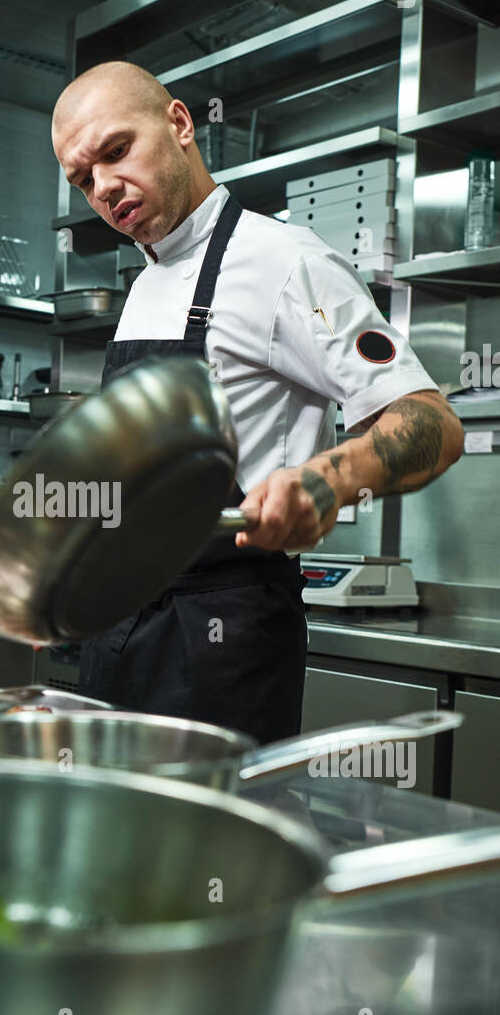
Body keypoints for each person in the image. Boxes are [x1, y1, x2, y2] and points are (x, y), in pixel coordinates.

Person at [50, 61, 463, 744]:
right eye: (82, 178)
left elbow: (429, 421)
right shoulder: (143, 282)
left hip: (220, 644)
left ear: (179, 123)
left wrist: (327, 482)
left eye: (116, 151)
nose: (103, 187)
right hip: (118, 631)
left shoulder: (287, 263)